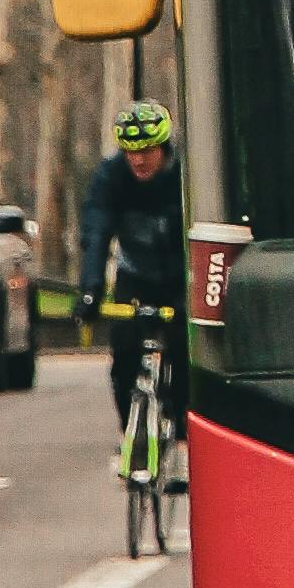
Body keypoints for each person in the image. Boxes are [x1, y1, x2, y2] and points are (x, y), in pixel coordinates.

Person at [77, 101, 186, 454]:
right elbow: (96, 233)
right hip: (135, 275)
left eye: (147, 151)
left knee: (185, 356)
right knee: (123, 353)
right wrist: (91, 290)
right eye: (130, 152)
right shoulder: (111, 177)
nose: (138, 161)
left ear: (164, 148)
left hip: (180, 277)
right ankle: (132, 434)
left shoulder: (185, 175)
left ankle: (184, 440)